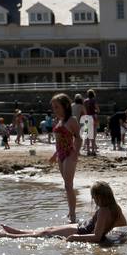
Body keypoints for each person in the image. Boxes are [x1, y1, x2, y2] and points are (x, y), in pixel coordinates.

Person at [0, 181, 127, 243]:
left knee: (45, 233)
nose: (93, 200)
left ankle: (10, 236)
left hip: (80, 231)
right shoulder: (115, 207)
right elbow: (122, 223)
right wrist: (108, 229)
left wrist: (76, 237)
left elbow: (97, 237)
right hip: (82, 226)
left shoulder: (104, 211)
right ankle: (18, 231)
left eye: (93, 197)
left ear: (99, 196)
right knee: (48, 230)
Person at [50, 94, 80, 222]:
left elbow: (78, 138)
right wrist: (54, 155)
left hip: (69, 154)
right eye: (53, 107)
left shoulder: (72, 120)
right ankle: (70, 211)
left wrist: (76, 152)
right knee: (67, 186)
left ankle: (73, 215)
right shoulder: (59, 121)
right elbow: (59, 141)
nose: (55, 110)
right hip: (60, 155)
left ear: (66, 106)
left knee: (68, 185)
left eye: (57, 107)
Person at [83, 89, 99, 156]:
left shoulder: (85, 101)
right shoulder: (93, 100)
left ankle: (88, 151)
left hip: (86, 118)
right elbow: (98, 109)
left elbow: (83, 110)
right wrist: (96, 111)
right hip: (93, 117)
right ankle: (93, 150)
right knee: (93, 134)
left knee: (87, 134)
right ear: (93, 94)